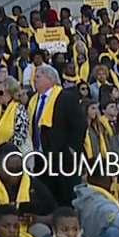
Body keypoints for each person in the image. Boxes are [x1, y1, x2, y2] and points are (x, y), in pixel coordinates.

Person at [29, 64, 85, 204]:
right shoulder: (33, 100)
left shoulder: (65, 97)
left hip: (62, 158)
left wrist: (72, 149)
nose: (34, 80)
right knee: (46, 199)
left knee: (65, 198)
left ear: (50, 79)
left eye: (38, 77)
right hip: (40, 158)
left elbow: (80, 125)